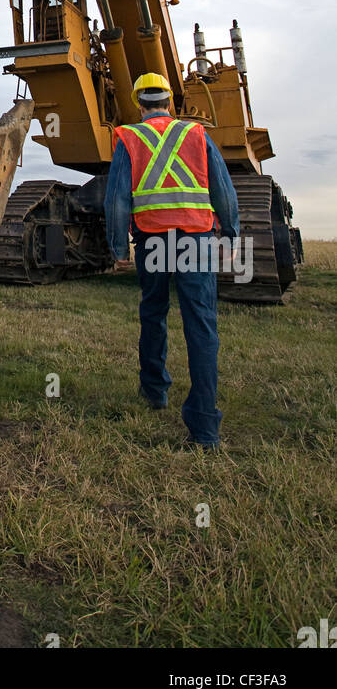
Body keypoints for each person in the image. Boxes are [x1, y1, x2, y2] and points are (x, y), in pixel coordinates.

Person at [104, 72, 240, 449]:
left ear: (137, 102)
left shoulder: (130, 138)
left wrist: (118, 249)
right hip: (196, 240)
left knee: (153, 311)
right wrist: (230, 234)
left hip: (152, 240)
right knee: (201, 324)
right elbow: (222, 189)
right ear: (169, 100)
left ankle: (155, 390)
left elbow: (116, 198)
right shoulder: (196, 134)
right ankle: (205, 428)